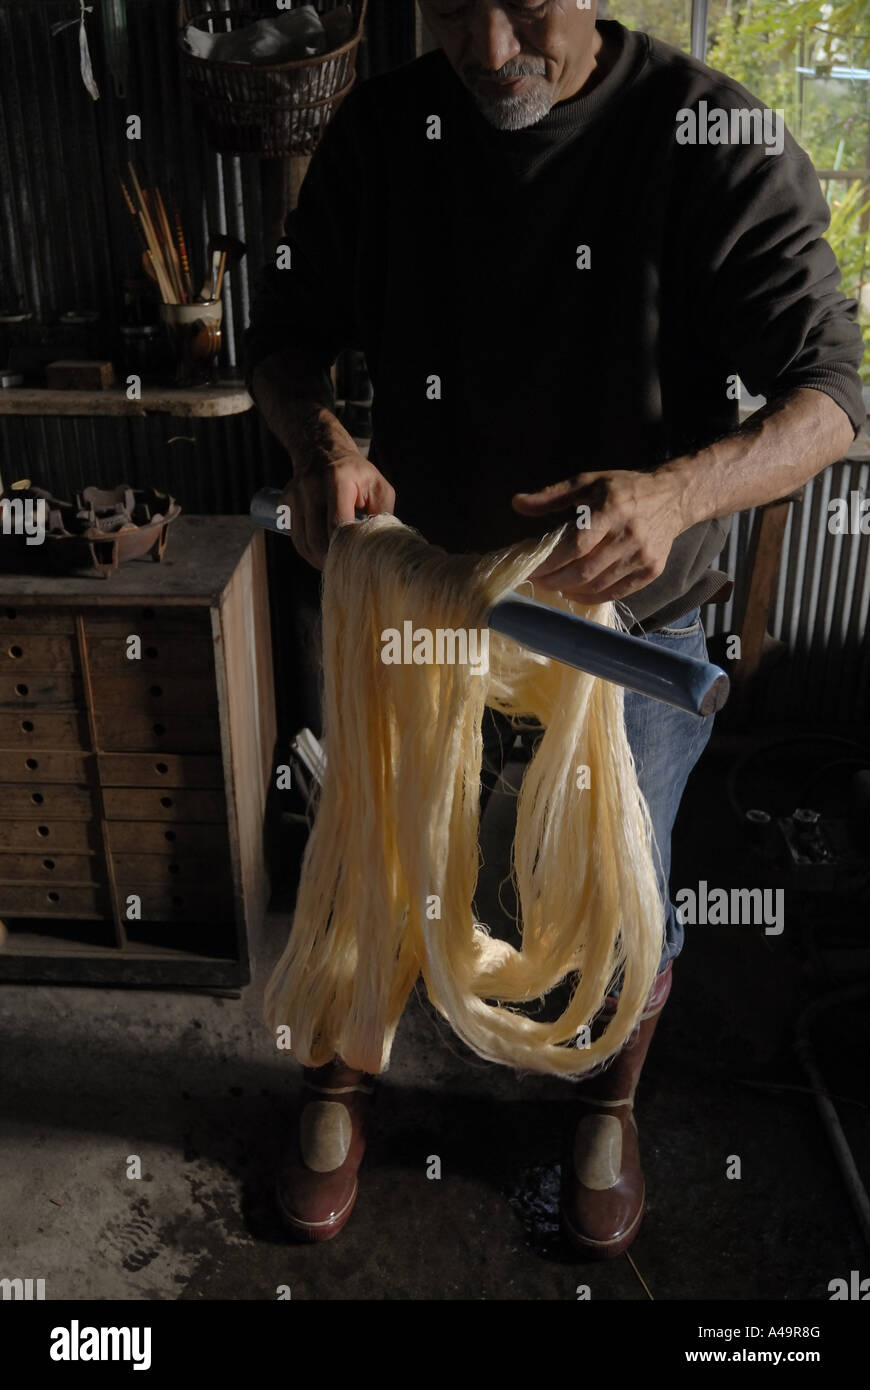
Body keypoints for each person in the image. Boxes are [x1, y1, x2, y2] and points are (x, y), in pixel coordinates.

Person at [246, 0, 864, 1256]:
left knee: (613, 890)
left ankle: (606, 1102)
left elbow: (834, 393)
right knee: (380, 848)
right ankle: (341, 1075)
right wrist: (323, 450)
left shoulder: (710, 134)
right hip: (425, 589)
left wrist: (683, 488)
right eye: (452, 7)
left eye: (525, 6)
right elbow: (290, 341)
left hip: (625, 616)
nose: (486, 49)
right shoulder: (385, 129)